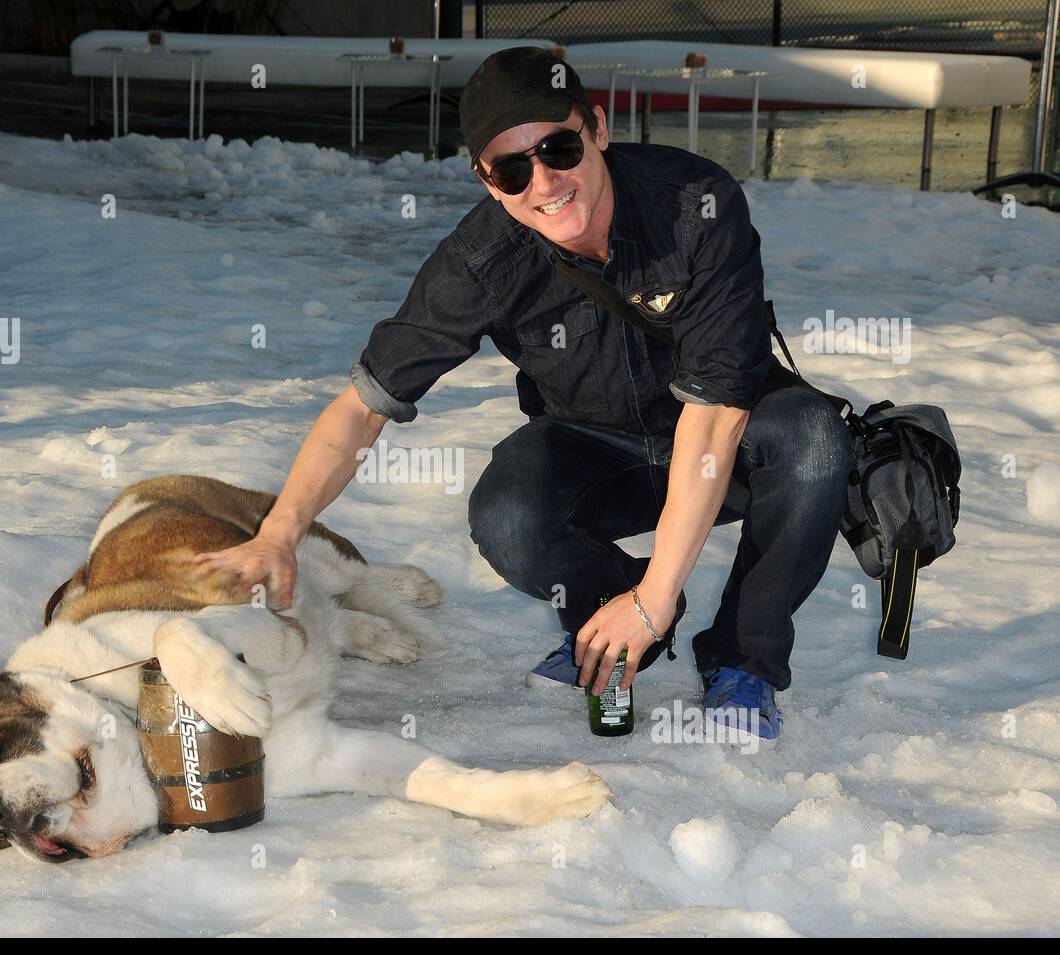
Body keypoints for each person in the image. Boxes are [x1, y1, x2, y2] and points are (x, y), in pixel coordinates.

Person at [192, 47, 851, 745]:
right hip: (594, 444)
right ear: (486, 180)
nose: (543, 181)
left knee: (812, 439)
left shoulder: (696, 204)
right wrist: (279, 532)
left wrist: (655, 594)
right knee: (507, 513)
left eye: (558, 147)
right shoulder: (481, 258)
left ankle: (743, 660)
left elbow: (716, 414)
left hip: (727, 435)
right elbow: (364, 403)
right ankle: (610, 626)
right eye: (511, 168)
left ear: (598, 129)